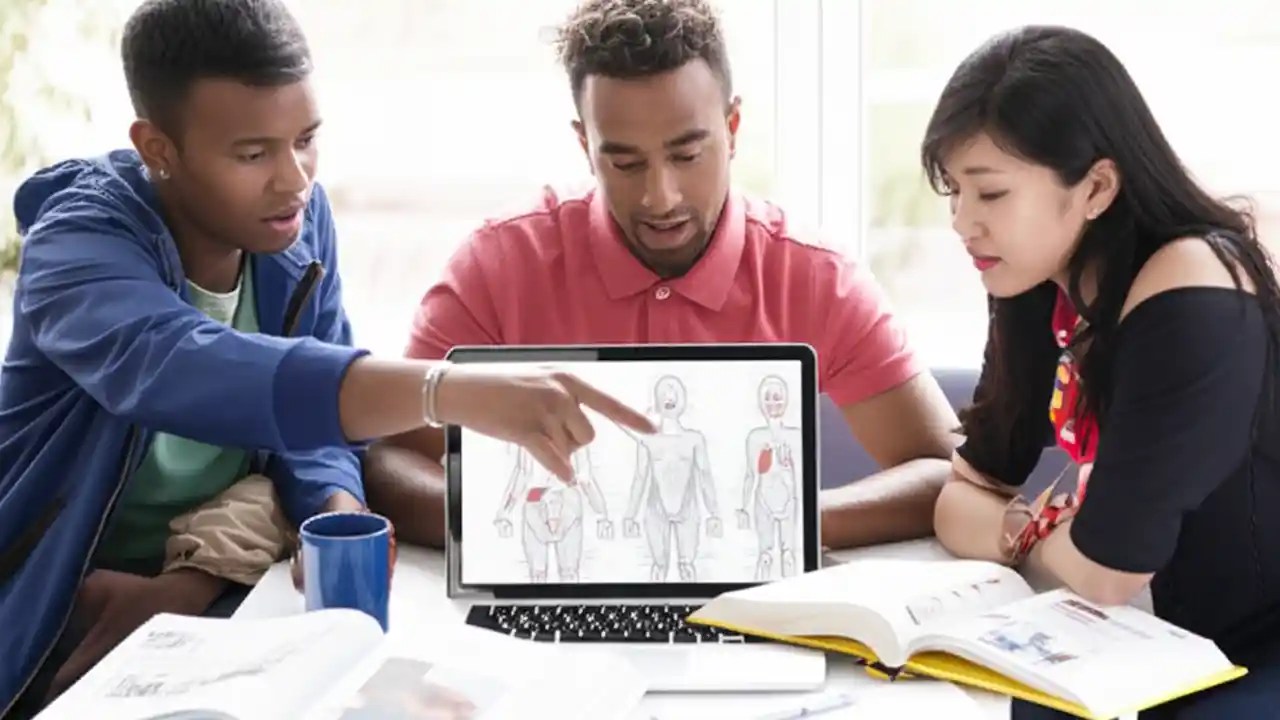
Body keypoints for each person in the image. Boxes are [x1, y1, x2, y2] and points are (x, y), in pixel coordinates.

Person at [0, 1, 651, 716]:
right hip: (56, 604)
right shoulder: (76, 244)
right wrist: (448, 391)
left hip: (220, 596)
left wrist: (334, 507)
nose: (294, 180)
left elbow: (316, 419)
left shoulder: (296, 227)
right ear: (158, 147)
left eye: (306, 139)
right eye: (253, 154)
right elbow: (183, 366)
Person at [363, 0, 960, 552]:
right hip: (552, 573)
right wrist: (512, 527)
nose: (660, 196)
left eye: (686, 154)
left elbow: (945, 471)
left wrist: (780, 523)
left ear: (732, 129)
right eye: (624, 162)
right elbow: (392, 458)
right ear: (584, 144)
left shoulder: (813, 276)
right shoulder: (497, 265)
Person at [925, 25, 1280, 717]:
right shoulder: (1033, 275)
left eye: (990, 194)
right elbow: (964, 490)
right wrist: (1031, 533)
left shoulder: (1193, 286)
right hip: (1150, 642)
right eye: (954, 191)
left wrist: (1015, 532)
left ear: (1096, 186)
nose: (963, 222)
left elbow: (1109, 570)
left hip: (1254, 647)